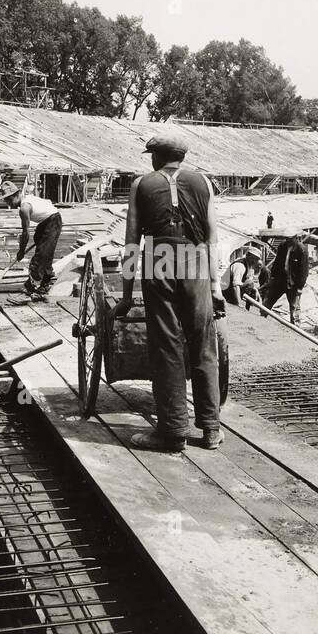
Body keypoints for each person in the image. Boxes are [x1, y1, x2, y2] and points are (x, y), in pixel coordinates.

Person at [115, 128, 222, 453]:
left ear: (157, 158)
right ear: (182, 157)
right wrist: (216, 286)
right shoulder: (203, 183)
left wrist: (126, 295)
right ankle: (211, 429)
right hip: (196, 259)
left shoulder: (141, 184)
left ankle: (173, 432)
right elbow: (212, 237)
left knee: (166, 346)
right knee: (203, 344)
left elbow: (132, 241)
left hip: (159, 257)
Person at [0, 182, 61, 301]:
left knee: (41, 256)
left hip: (53, 221)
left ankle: (30, 290)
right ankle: (44, 286)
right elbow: (47, 204)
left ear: (16, 195)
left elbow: (25, 233)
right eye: (6, 201)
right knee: (44, 253)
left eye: (9, 200)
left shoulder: (24, 208)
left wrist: (21, 251)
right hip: (45, 221)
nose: (8, 204)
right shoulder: (27, 199)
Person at [262, 232, 311, 324]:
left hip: (293, 283)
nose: (288, 241)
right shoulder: (282, 246)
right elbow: (277, 262)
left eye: (290, 239)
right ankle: (261, 318)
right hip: (280, 280)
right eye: (287, 238)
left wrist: (300, 287)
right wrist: (273, 277)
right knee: (269, 300)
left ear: (296, 238)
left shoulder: (301, 249)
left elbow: (303, 271)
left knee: (294, 307)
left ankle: (295, 326)